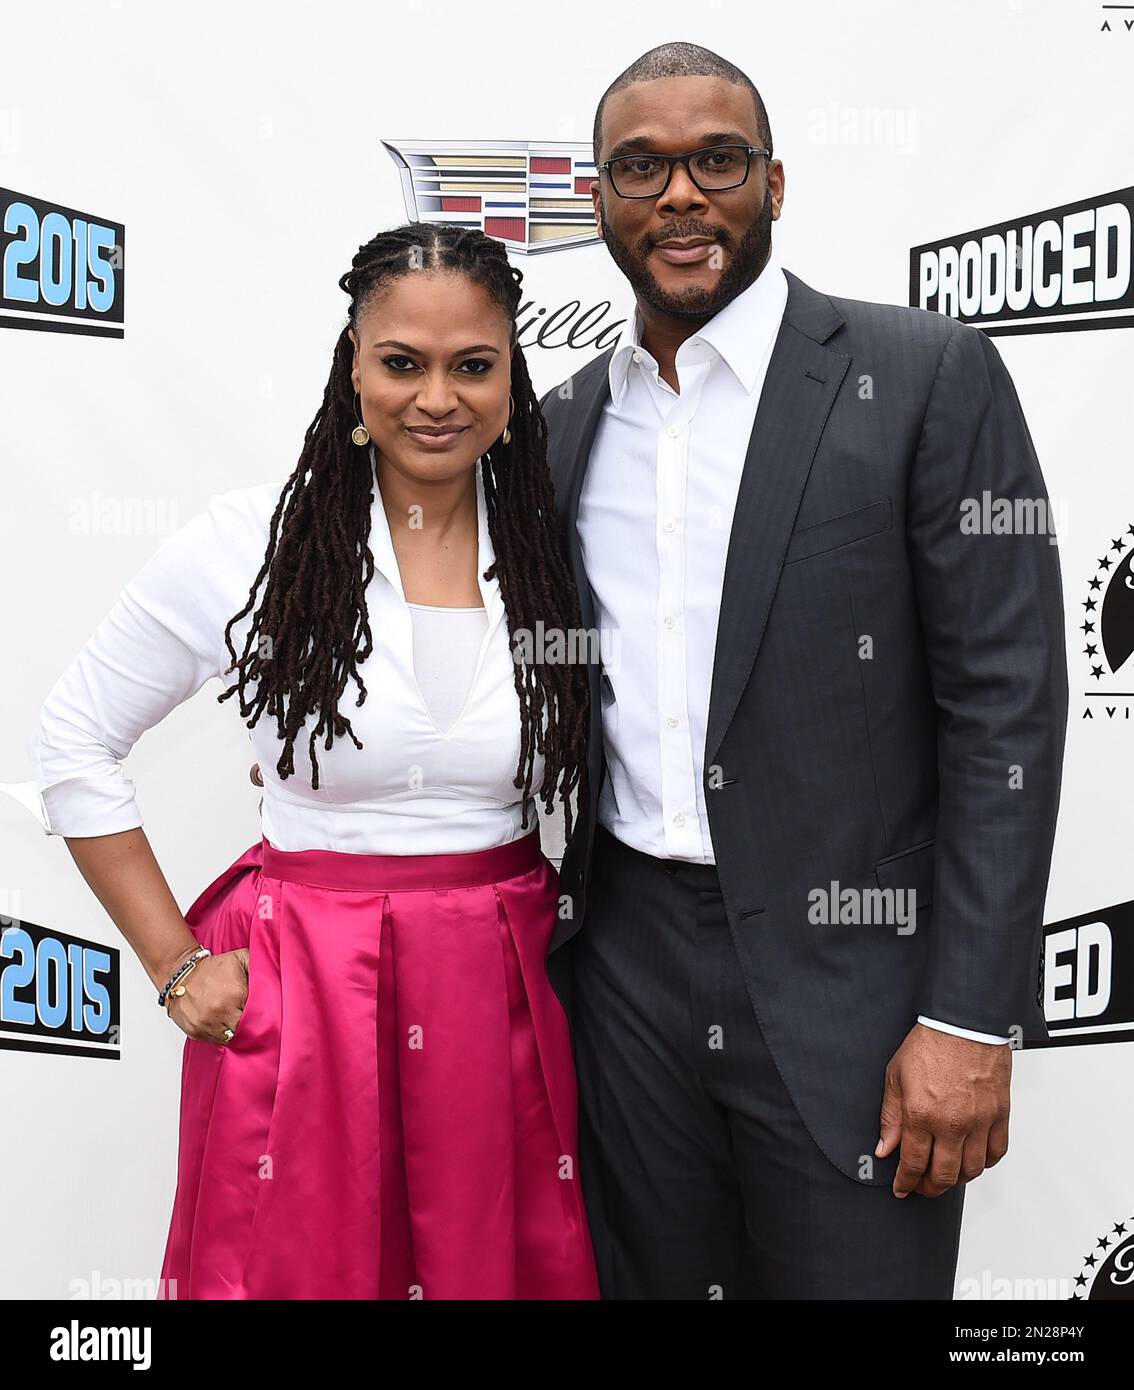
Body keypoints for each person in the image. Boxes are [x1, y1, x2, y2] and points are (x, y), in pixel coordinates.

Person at [537, 43, 1068, 1299]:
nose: (681, 196)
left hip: (855, 987)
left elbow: (1007, 709)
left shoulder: (922, 375)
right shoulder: (561, 423)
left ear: (774, 183)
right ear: (598, 200)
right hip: (623, 975)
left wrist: (969, 1017)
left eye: (716, 160)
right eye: (642, 168)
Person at [24, 223, 599, 1300]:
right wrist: (174, 964)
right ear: (352, 368)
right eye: (402, 362)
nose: (438, 396)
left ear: (514, 379)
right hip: (305, 992)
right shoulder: (249, 544)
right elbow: (73, 744)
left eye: (473, 365)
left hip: (504, 993)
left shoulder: (560, 548)